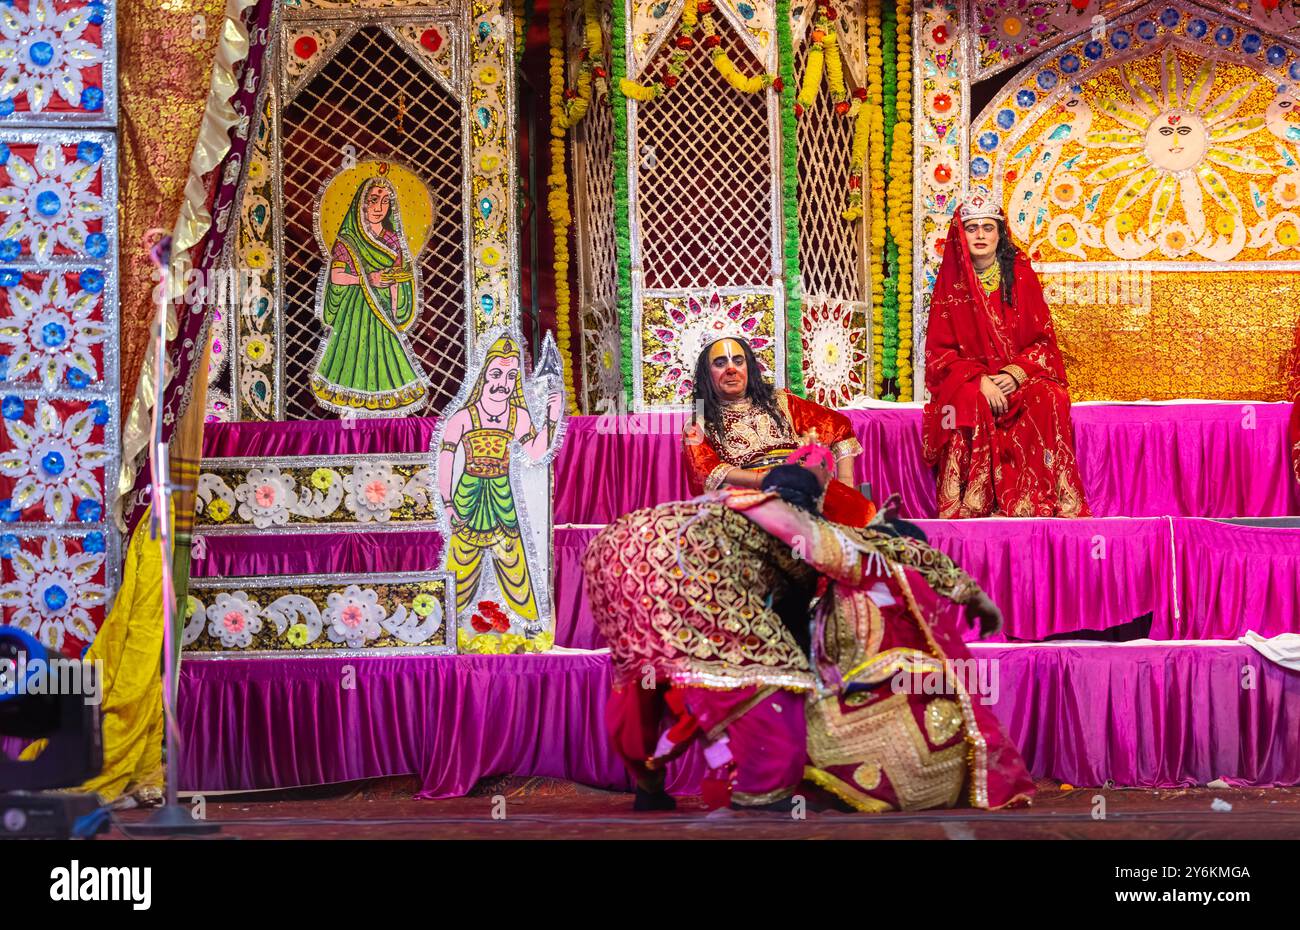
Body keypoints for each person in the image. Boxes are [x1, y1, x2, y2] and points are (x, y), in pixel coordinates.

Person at [583, 464, 1034, 812]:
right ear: (809, 505)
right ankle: (762, 799)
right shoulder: (784, 515)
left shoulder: (721, 506)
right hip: (691, 573)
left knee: (645, 673)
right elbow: (871, 553)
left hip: (611, 551)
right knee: (779, 674)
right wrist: (968, 592)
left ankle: (647, 783)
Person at [922, 193, 1090, 518]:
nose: (981, 235)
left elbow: (1044, 343)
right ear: (961, 234)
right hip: (975, 382)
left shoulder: (1021, 278)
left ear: (1000, 233)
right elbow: (939, 358)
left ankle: (1037, 501)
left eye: (988, 227)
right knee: (966, 401)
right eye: (972, 228)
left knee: (1051, 395)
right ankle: (974, 501)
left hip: (1017, 381)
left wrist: (1015, 373)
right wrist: (979, 381)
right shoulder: (950, 286)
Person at [682, 336, 876, 526]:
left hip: (804, 485)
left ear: (748, 367)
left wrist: (845, 481)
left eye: (738, 361)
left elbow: (839, 425)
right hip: (751, 497)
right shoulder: (699, 423)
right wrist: (763, 479)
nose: (731, 369)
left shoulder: (782, 402)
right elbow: (703, 470)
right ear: (708, 374)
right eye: (720, 363)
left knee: (859, 510)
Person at [439, 333, 563, 622]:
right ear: (483, 375)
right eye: (496, 374)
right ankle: (449, 621)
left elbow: (535, 452)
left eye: (510, 376)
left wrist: (552, 418)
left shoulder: (517, 416)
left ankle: (527, 621)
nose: (502, 384)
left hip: (502, 497)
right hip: (468, 495)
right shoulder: (463, 417)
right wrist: (447, 503)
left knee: (512, 561)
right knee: (461, 559)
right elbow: (446, 460)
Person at [311, 173, 430, 416]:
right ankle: (350, 406)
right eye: (373, 199)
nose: (379, 207)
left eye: (385, 201)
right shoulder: (348, 239)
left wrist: (395, 287)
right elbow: (336, 277)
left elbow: (401, 276)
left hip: (383, 312)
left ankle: (384, 408)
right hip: (354, 311)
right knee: (353, 357)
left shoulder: (393, 240)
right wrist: (367, 280)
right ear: (361, 204)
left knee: (385, 361)